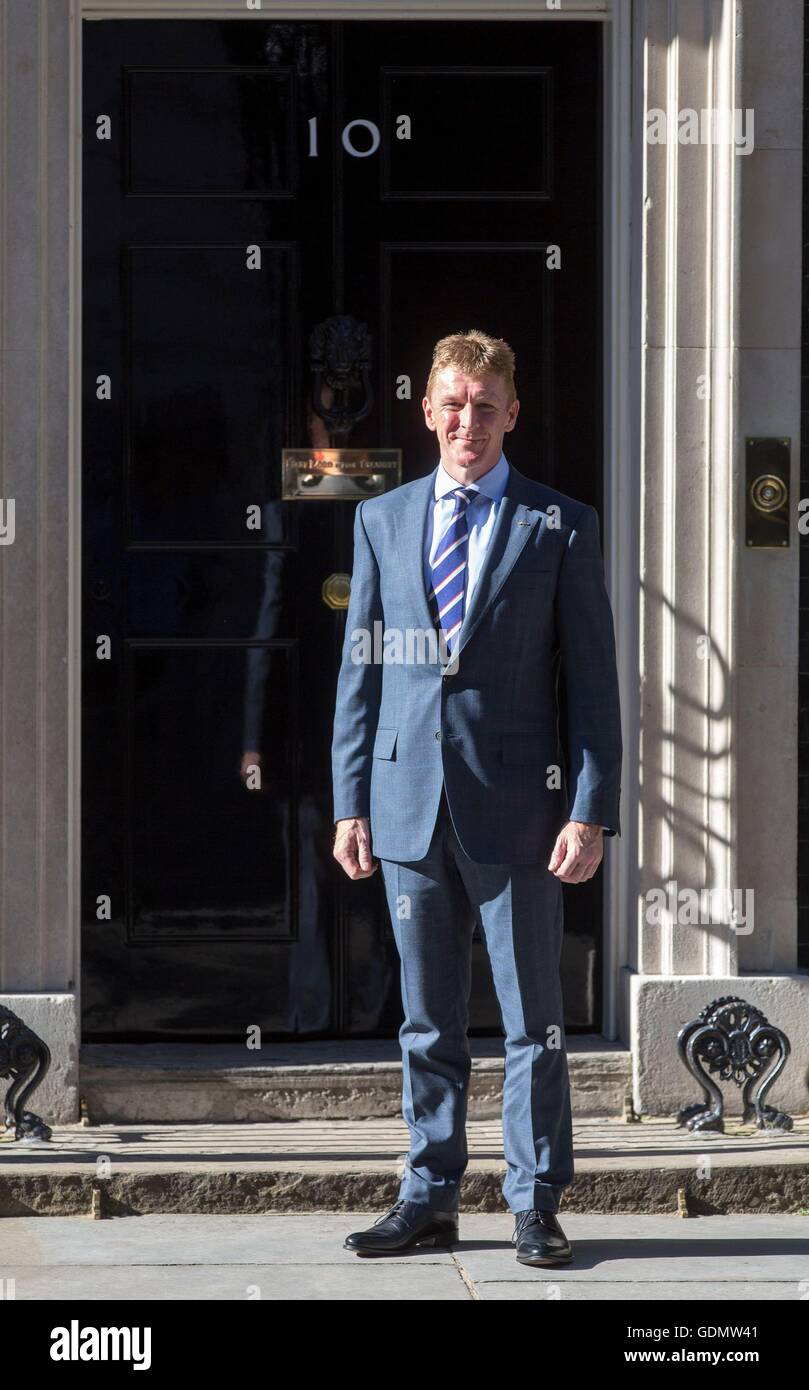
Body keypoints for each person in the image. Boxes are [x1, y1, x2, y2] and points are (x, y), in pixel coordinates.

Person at [331, 330, 622, 1265]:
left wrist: (590, 807)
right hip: (407, 801)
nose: (469, 421)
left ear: (511, 413)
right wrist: (349, 801)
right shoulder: (380, 520)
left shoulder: (561, 524)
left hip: (521, 814)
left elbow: (593, 685)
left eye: (486, 406)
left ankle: (535, 1203)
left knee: (534, 1021)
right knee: (426, 1020)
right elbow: (361, 671)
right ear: (426, 409)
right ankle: (429, 1192)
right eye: (453, 404)